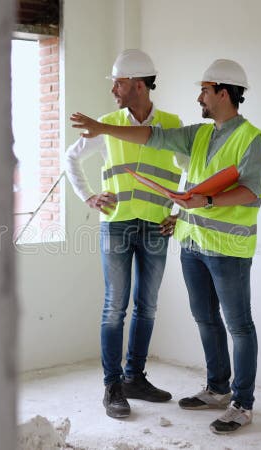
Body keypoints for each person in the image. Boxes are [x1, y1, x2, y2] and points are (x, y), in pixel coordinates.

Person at [69, 59, 261, 435]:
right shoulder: (200, 135)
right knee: (205, 320)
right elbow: (152, 137)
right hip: (192, 242)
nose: (200, 97)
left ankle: (242, 403)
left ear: (223, 93)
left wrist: (205, 204)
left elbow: (251, 191)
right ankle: (217, 388)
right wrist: (102, 129)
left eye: (205, 91)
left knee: (238, 326)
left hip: (227, 248)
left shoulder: (251, 139)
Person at [63, 49, 185, 419]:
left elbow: (191, 167)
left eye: (117, 83)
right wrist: (88, 196)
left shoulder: (171, 124)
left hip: (156, 226)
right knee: (115, 307)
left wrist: (180, 212)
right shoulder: (107, 122)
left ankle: (135, 378)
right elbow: (71, 157)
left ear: (136, 84)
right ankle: (113, 385)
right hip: (116, 225)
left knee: (147, 307)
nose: (113, 89)